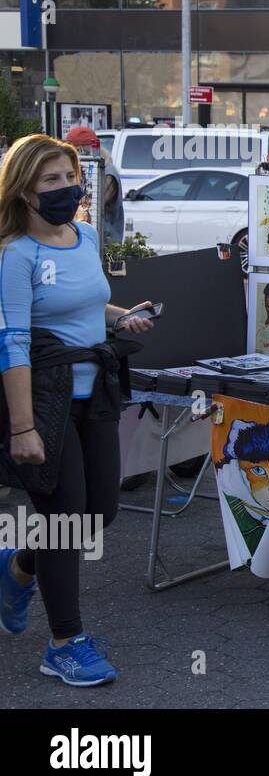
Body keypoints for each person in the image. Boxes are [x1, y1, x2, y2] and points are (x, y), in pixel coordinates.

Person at [0, 134, 155, 687]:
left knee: (101, 514)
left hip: (97, 393)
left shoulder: (83, 234)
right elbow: (11, 341)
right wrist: (22, 428)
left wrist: (120, 318)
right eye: (51, 181)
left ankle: (17, 566)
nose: (67, 188)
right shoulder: (16, 255)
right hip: (44, 399)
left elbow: (88, 304)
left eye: (70, 177)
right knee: (64, 523)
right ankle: (64, 642)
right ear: (23, 190)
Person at [63, 126, 124, 245]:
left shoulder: (107, 173)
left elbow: (92, 206)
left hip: (104, 242)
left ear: (81, 150)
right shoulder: (82, 170)